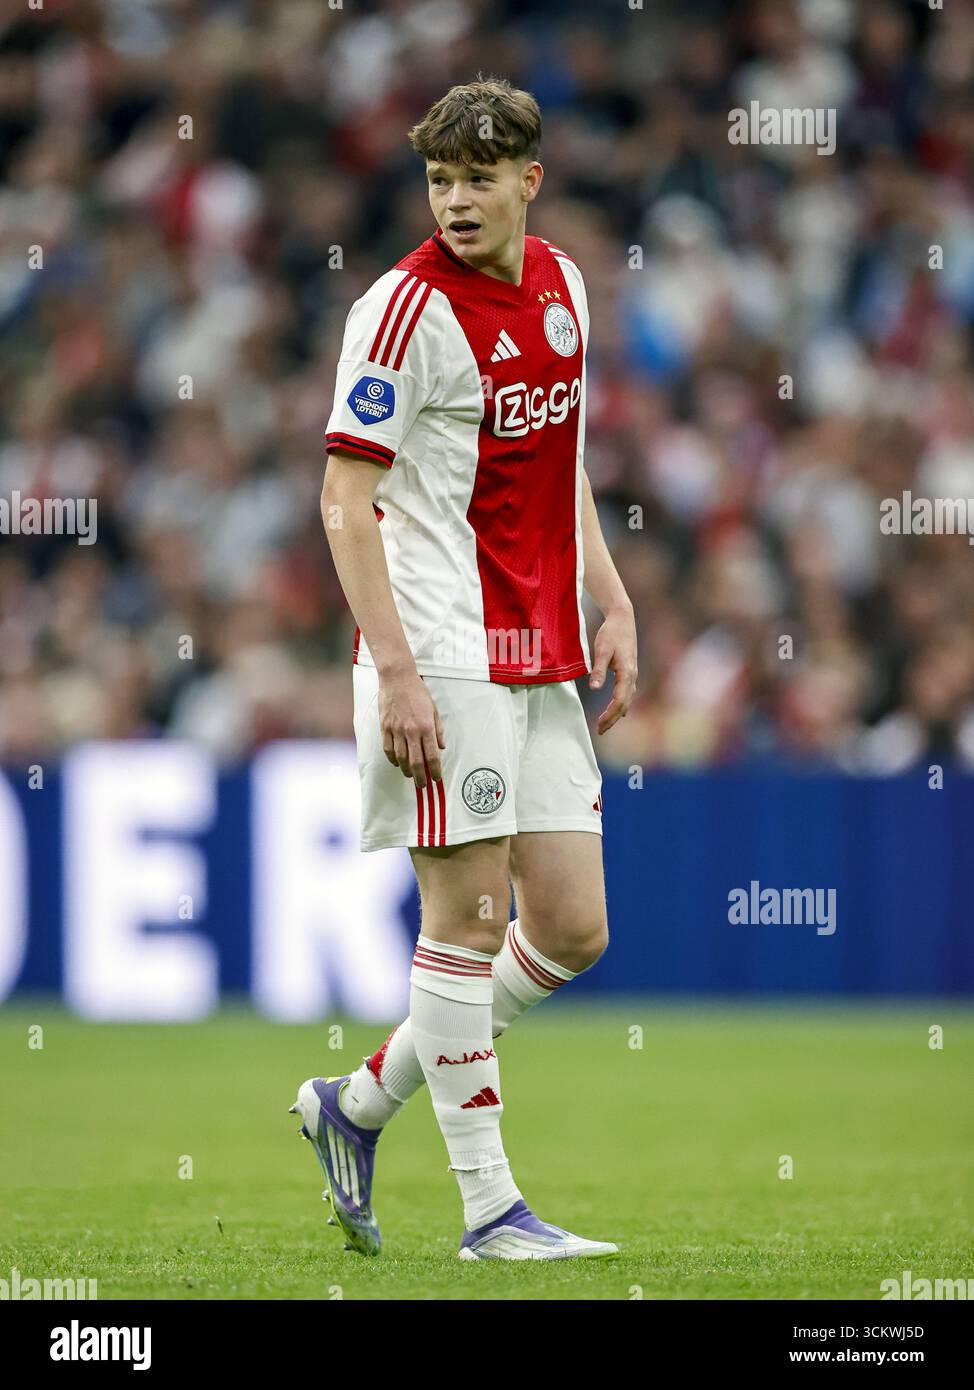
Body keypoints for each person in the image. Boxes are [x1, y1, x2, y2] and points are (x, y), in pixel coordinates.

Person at [290, 76, 637, 1261]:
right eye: (439, 180)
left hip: (537, 645)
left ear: (528, 181)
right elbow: (343, 498)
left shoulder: (563, 287)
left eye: (479, 180)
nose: (455, 202)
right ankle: (490, 1213)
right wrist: (393, 672)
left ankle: (357, 1101)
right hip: (439, 644)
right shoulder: (398, 311)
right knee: (467, 919)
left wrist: (609, 590)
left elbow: (562, 455)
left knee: (574, 927)